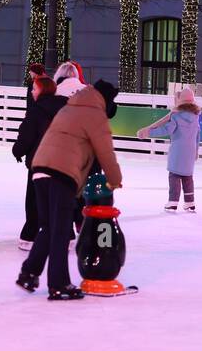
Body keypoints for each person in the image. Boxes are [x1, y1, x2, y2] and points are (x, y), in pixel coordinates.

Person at [18, 82, 123, 300]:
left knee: (48, 227)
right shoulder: (95, 114)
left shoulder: (70, 107)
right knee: (60, 230)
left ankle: (29, 272)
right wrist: (115, 180)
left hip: (39, 169)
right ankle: (59, 284)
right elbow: (105, 151)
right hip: (61, 173)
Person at [13, 74, 66, 250]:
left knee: (35, 200)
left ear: (41, 90)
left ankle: (30, 235)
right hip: (63, 161)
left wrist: (18, 151)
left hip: (40, 161)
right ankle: (64, 235)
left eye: (34, 88)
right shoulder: (66, 107)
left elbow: (27, 136)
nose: (32, 92)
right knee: (58, 199)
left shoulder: (36, 110)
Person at [139, 85, 202, 212]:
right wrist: (196, 151)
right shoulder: (196, 118)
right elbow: (197, 137)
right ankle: (190, 202)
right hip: (190, 152)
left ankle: (173, 201)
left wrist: (149, 133)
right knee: (187, 177)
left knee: (174, 175)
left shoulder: (176, 117)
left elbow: (166, 129)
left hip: (177, 152)